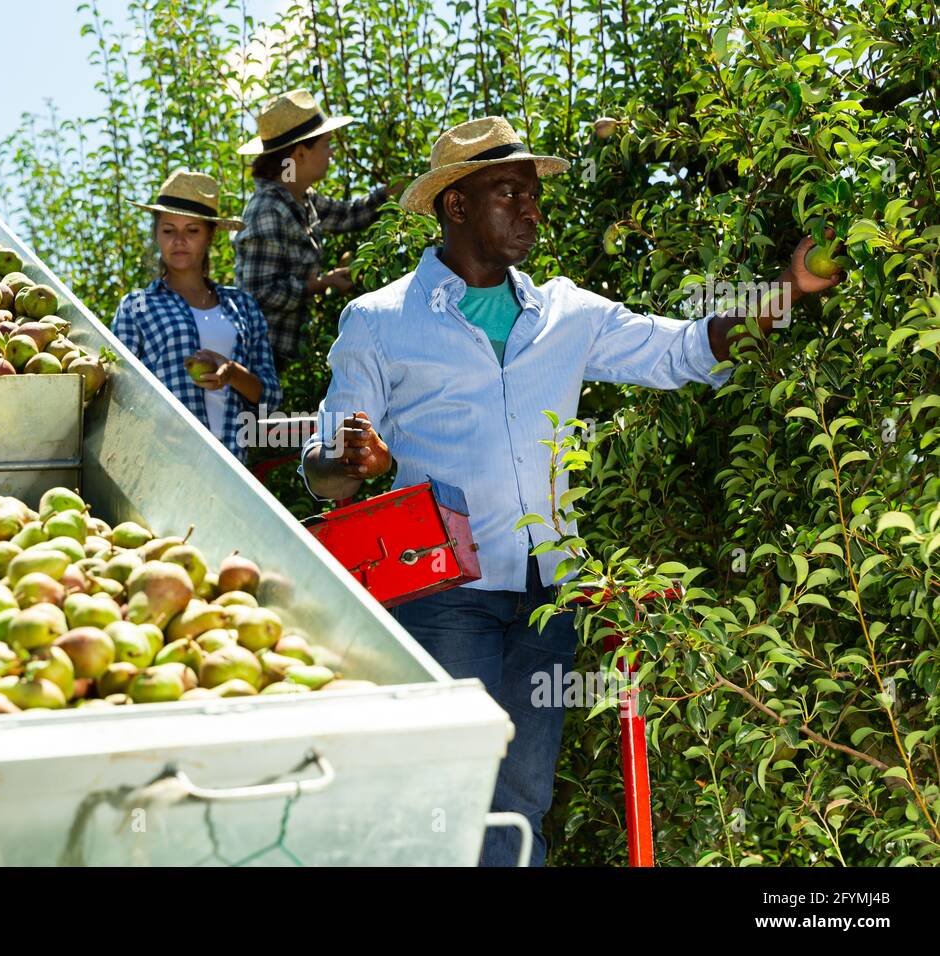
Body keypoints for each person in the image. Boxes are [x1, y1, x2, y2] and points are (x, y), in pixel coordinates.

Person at [299, 116, 842, 866]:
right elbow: (320, 464)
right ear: (455, 205)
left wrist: (789, 288)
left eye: (533, 194)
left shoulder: (567, 313)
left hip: (551, 591)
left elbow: (684, 348)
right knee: (449, 791)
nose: (531, 209)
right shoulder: (381, 321)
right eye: (509, 193)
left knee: (523, 798)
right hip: (443, 594)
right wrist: (351, 463)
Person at [112, 169, 281, 462]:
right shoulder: (136, 307)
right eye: (168, 230)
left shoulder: (242, 306)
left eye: (192, 230)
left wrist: (232, 372)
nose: (179, 240)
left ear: (210, 235)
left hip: (231, 462)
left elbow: (271, 397)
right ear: (156, 234)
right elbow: (118, 391)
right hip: (163, 460)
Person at [233, 88, 400, 369]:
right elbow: (259, 293)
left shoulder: (302, 199)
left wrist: (391, 193)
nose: (332, 153)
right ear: (299, 153)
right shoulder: (267, 210)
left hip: (281, 361)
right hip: (260, 362)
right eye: (325, 145)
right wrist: (323, 283)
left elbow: (348, 215)